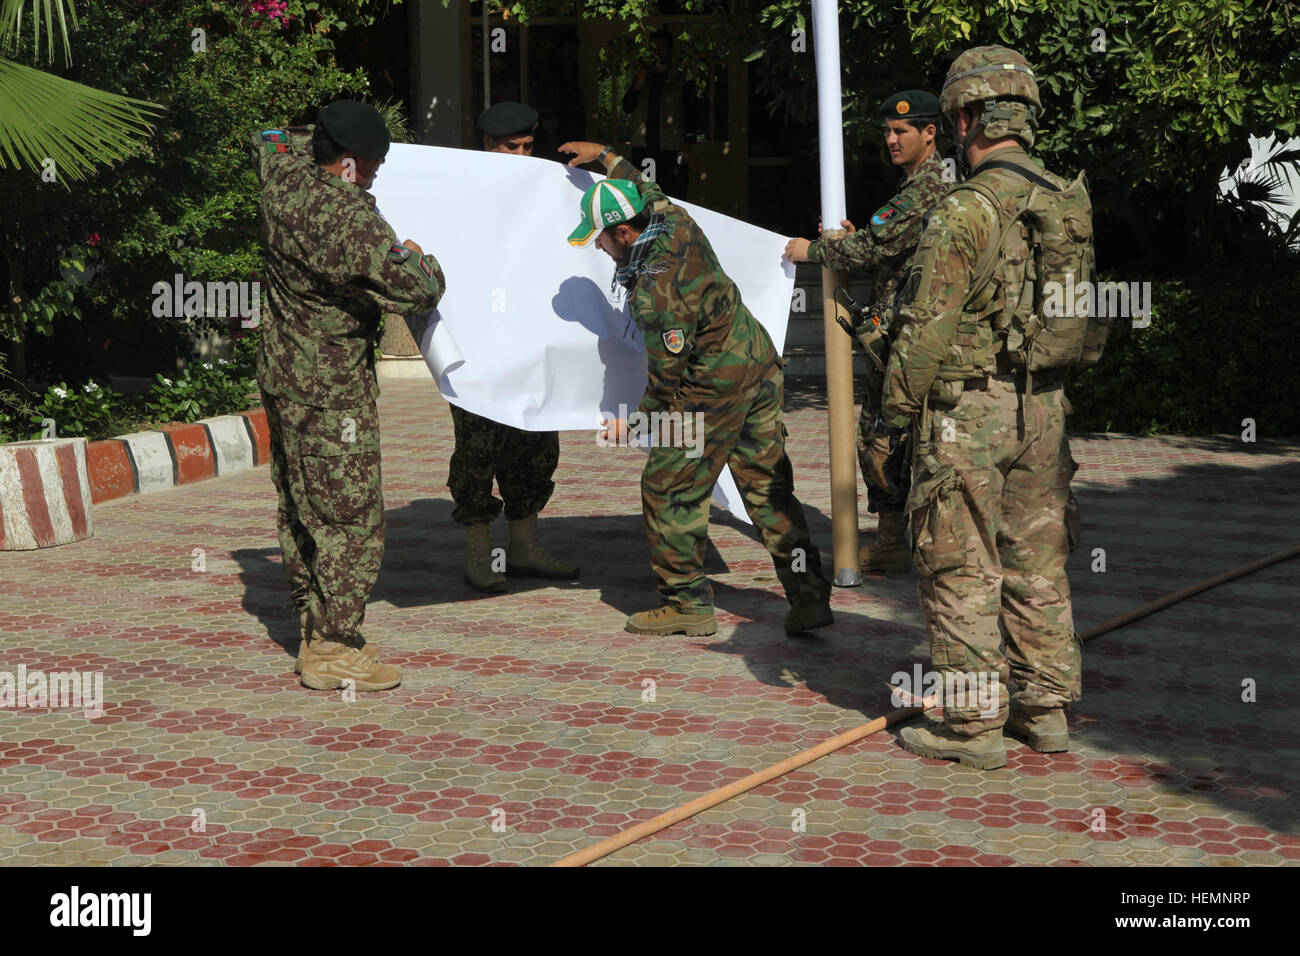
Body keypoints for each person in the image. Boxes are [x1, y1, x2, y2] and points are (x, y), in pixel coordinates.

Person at [878, 47, 1085, 768]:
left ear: (964, 117)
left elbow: (923, 333)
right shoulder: (1065, 197)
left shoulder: (963, 207)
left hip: (969, 411)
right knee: (1038, 559)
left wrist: (891, 422)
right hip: (1046, 408)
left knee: (960, 562)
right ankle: (1046, 709)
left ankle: (970, 728)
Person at [559, 139, 833, 638]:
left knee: (667, 488)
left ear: (624, 232)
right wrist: (604, 155)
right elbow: (646, 186)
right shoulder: (673, 218)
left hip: (710, 388)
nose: (598, 247)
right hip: (756, 362)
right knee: (768, 490)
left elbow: (667, 375)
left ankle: (686, 602)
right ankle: (809, 596)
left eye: (601, 238)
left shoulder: (655, 290)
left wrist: (638, 424)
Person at [250, 100, 445, 691]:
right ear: (351, 164)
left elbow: (273, 133)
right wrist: (420, 258)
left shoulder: (280, 176)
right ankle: (332, 646)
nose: (379, 173)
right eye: (376, 163)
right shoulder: (351, 220)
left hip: (283, 374)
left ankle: (314, 623)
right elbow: (417, 288)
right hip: (332, 390)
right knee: (350, 517)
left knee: (300, 502)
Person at [784, 91, 950, 575]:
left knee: (884, 439)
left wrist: (811, 251)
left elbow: (871, 245)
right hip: (906, 341)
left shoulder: (927, 189)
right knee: (894, 440)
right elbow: (884, 246)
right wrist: (857, 242)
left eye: (901, 132)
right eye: (888, 132)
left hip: (911, 345)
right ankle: (902, 541)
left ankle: (904, 543)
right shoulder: (925, 187)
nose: (891, 139)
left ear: (930, 133)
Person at [449, 102, 580, 594]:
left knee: (537, 441)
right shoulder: (463, 190)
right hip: (478, 342)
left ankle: (524, 545)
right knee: (478, 445)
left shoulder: (545, 187)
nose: (522, 155)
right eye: (511, 147)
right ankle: (480, 553)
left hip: (532, 337)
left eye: (528, 146)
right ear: (487, 145)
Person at [620, 29, 695, 198]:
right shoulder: (643, 76)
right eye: (654, 47)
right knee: (646, 194)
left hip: (671, 147)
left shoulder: (681, 78)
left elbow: (691, 112)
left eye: (662, 47)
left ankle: (673, 224)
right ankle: (649, 224)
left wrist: (688, 144)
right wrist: (639, 82)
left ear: (669, 49)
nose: (657, 51)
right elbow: (627, 107)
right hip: (645, 147)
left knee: (674, 193)